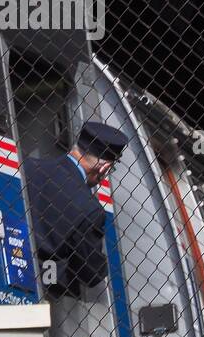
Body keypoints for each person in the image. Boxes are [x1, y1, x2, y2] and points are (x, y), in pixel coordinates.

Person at [24, 121, 129, 298]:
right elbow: (90, 273)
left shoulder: (29, 167)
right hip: (48, 290)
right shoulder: (89, 209)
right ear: (105, 168)